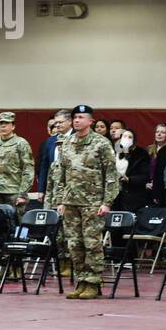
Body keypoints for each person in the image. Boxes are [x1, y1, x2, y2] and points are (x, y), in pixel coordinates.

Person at [50, 105, 119, 299]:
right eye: (75, 118)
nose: (77, 120)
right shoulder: (67, 142)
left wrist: (107, 202)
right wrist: (60, 200)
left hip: (93, 202)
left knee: (91, 244)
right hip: (71, 202)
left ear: (91, 121)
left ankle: (93, 283)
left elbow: (111, 175)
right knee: (74, 244)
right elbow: (61, 174)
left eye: (81, 117)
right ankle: (81, 281)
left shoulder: (101, 143)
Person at [0, 111, 34, 216]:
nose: (3, 126)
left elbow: (28, 169)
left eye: (6, 123)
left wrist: (23, 193)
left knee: (17, 224)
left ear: (13, 126)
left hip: (14, 191)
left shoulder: (21, 143)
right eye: (1, 123)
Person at [114, 130, 150, 213]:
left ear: (134, 140)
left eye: (130, 137)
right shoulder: (115, 152)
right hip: (115, 195)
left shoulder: (141, 154)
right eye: (124, 136)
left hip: (133, 195)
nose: (127, 139)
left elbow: (145, 176)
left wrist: (129, 179)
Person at [147, 122, 166, 206]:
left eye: (163, 132)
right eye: (157, 132)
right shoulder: (148, 149)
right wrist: (146, 183)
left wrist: (156, 185)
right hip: (148, 187)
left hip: (162, 187)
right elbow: (145, 169)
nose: (159, 134)